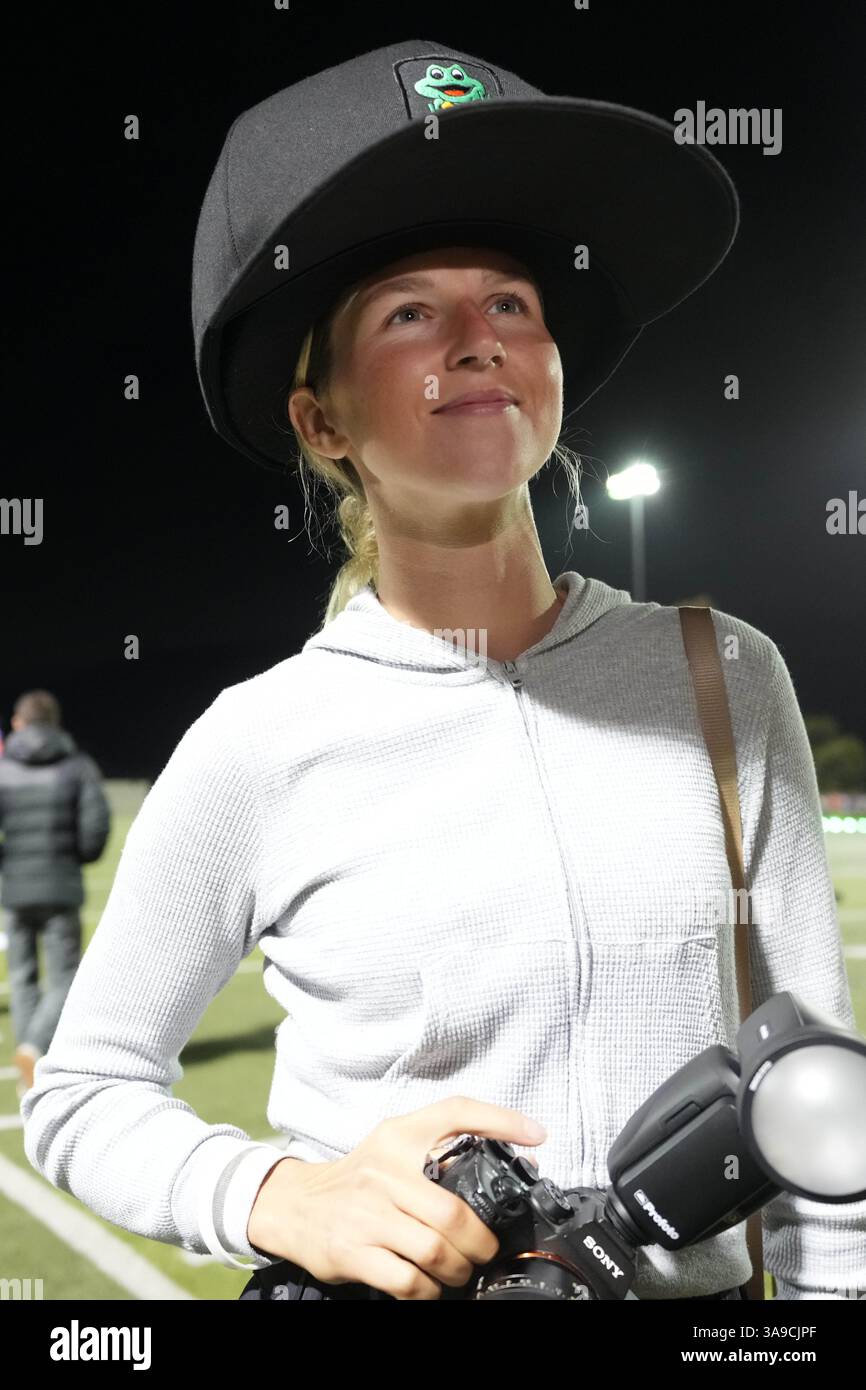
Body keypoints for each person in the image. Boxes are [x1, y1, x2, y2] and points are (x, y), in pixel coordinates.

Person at [20, 39, 866, 1302]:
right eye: (411, 311)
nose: (477, 341)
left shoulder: (724, 673)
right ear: (322, 422)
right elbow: (82, 1093)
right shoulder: (261, 740)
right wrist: (273, 1191)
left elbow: (817, 1094)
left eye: (511, 303)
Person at [0, 690, 111, 1096]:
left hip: (14, 888)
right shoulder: (77, 767)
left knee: (22, 976)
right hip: (61, 886)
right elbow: (95, 828)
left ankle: (27, 1061)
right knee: (65, 976)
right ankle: (33, 1050)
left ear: (19, 722)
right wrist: (75, 855)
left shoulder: (3, 768)